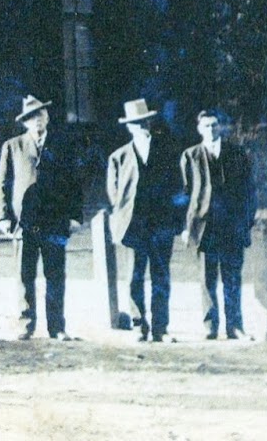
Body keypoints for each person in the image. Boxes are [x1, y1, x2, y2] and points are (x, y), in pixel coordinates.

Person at [0, 95, 81, 341]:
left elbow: (74, 183)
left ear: (47, 117)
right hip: (24, 222)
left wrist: (75, 216)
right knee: (24, 274)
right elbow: (3, 183)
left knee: (55, 275)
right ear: (25, 122)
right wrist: (3, 217)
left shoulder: (62, 145)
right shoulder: (13, 146)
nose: (37, 121)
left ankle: (57, 326)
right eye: (32, 118)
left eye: (41, 115)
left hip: (55, 221)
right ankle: (26, 323)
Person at [106, 98, 184, 342]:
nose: (140, 126)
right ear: (128, 127)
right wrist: (122, 218)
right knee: (134, 277)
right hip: (134, 226)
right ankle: (140, 326)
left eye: (143, 122)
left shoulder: (167, 151)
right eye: (135, 123)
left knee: (161, 276)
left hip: (161, 224)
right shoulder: (118, 157)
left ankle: (161, 328)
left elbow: (178, 188)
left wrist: (177, 223)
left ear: (149, 123)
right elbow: (113, 193)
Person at [181, 108, 256, 340]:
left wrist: (245, 223)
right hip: (205, 227)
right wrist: (185, 227)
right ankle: (210, 326)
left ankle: (235, 326)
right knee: (207, 278)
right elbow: (184, 195)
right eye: (206, 126)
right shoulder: (190, 156)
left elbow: (249, 192)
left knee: (232, 278)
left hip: (231, 226)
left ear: (221, 127)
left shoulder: (237, 153)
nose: (211, 129)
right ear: (199, 129)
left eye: (214, 125)